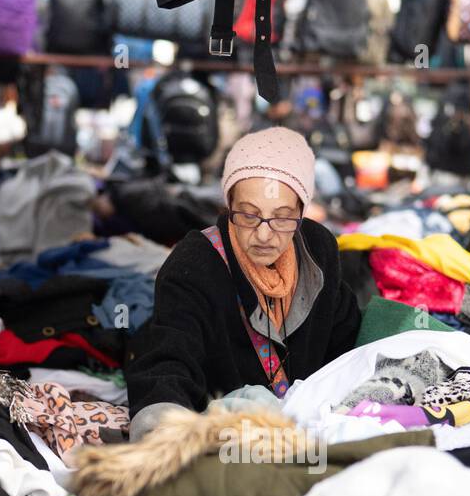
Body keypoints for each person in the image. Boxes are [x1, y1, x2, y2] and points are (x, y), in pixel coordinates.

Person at [125, 126, 361, 440]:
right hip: (231, 439)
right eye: (249, 215)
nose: (264, 234)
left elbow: (347, 347)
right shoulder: (194, 264)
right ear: (228, 205)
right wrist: (164, 433)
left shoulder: (317, 253)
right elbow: (168, 357)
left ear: (302, 211)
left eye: (282, 217)